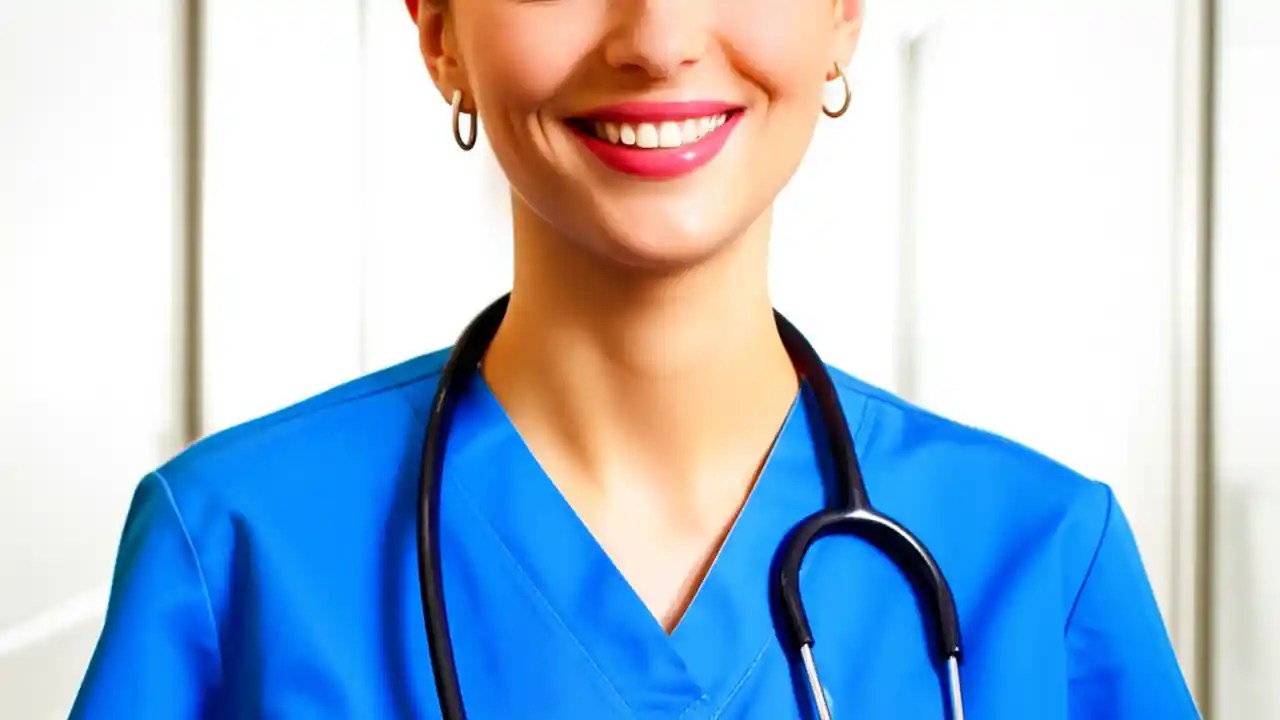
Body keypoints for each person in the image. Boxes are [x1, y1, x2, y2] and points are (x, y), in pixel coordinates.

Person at [71, 1, 1199, 717]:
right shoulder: (231, 557)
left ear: (844, 12)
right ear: (433, 28)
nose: (656, 36)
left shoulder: (1041, 562)